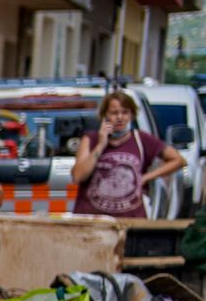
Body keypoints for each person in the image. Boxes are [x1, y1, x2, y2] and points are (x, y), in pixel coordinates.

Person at [72, 89, 185, 218]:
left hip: (131, 220)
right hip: (93, 220)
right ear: (105, 115)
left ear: (132, 115)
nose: (120, 117)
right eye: (114, 113)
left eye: (125, 112)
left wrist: (146, 177)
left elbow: (178, 160)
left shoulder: (142, 139)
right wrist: (101, 145)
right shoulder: (90, 139)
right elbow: (78, 176)